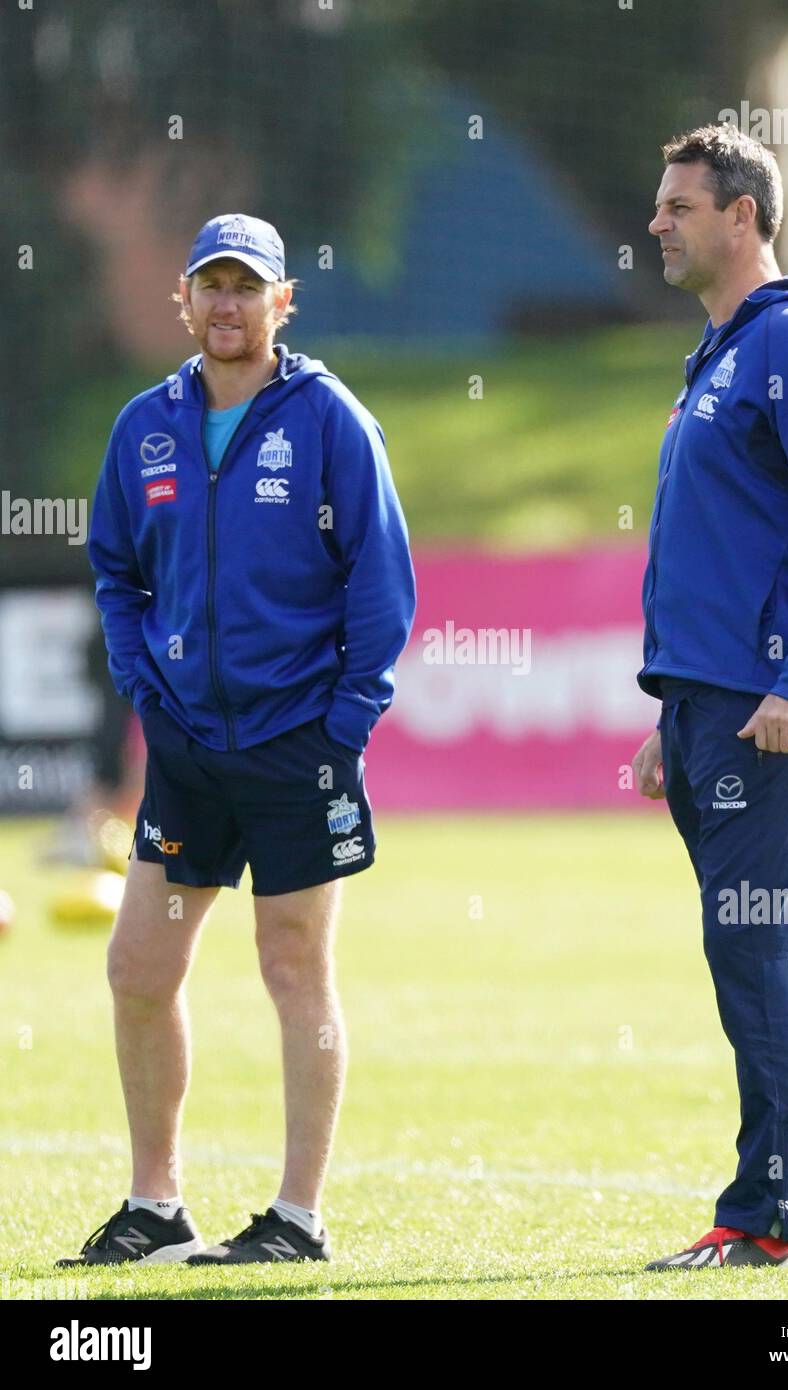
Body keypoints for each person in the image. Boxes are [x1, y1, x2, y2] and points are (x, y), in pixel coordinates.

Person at [58, 213, 416, 1266]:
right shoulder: (146, 426)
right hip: (185, 750)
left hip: (296, 744)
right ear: (185, 298)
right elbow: (116, 570)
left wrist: (344, 723)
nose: (226, 304)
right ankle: (156, 1203)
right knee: (137, 966)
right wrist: (142, 686)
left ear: (281, 303)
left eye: (246, 287)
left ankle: (297, 1218)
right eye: (210, 285)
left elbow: (383, 585)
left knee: (293, 963)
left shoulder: (330, 419)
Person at [630, 127, 788, 1270]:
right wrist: (667, 711)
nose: (658, 224)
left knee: (754, 944)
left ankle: (761, 1217)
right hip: (708, 702)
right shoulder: (721, 353)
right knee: (771, 952)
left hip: (768, 704)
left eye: (680, 205)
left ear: (743, 216)